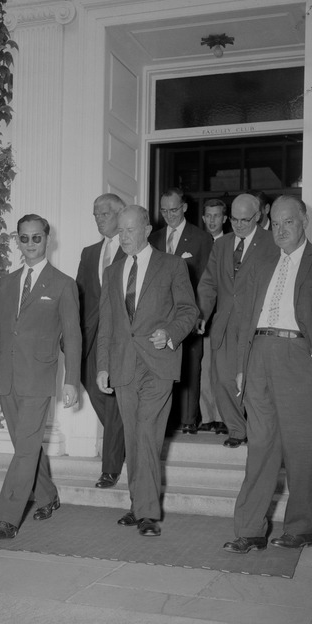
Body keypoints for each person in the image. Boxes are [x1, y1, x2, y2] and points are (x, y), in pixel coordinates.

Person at [223, 195, 312, 553]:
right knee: (260, 448)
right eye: (275, 224)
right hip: (258, 357)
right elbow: (244, 317)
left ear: (304, 221)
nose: (280, 230)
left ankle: (300, 527)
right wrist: (241, 367)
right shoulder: (262, 261)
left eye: (288, 223)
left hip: (299, 356)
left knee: (299, 449)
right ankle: (250, 530)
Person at [0, 214, 81, 540]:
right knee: (26, 445)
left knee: (24, 450)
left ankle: (7, 517)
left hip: (39, 378)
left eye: (37, 238)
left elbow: (73, 337)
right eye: (24, 238)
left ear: (48, 240)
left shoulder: (63, 284)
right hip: (7, 378)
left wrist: (71, 380)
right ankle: (48, 496)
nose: (31, 244)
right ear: (17, 241)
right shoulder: (6, 283)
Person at [96, 205, 198, 536]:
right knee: (132, 436)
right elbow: (107, 324)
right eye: (120, 230)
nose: (123, 236)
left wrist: (170, 332)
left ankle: (148, 513)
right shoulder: (113, 272)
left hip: (158, 363)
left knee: (147, 432)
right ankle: (138, 503)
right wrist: (102, 367)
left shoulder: (172, 265)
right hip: (124, 365)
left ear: (146, 229)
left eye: (129, 230)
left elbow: (188, 310)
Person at [197, 193, 278, 448]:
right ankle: (236, 429)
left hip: (256, 325)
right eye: (234, 219)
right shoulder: (221, 245)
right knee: (222, 379)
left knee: (253, 382)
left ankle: (259, 432)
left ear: (258, 216)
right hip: (223, 323)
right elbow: (209, 283)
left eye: (245, 219)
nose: (239, 224)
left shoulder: (272, 242)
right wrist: (201, 313)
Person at [149, 188, 212, 434]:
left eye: (173, 210)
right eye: (164, 211)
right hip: (159, 317)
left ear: (184, 207)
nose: (168, 215)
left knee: (190, 365)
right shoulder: (153, 239)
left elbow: (207, 282)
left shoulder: (201, 238)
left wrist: (201, 314)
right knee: (162, 367)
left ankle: (188, 419)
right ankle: (166, 421)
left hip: (189, 314)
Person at [76, 194, 126, 488]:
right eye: (95, 214)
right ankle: (128, 442)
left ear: (121, 214)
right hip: (91, 337)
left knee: (116, 401)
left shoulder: (135, 250)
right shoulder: (89, 252)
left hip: (120, 340)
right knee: (98, 394)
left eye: (104, 213)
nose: (98, 218)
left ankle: (110, 467)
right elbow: (79, 294)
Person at [198, 198, 228, 435]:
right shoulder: (198, 243)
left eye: (216, 215)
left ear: (224, 219)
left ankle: (223, 416)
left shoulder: (230, 244)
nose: (212, 220)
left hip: (226, 317)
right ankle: (207, 416)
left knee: (223, 369)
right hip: (202, 316)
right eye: (208, 215)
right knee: (204, 368)